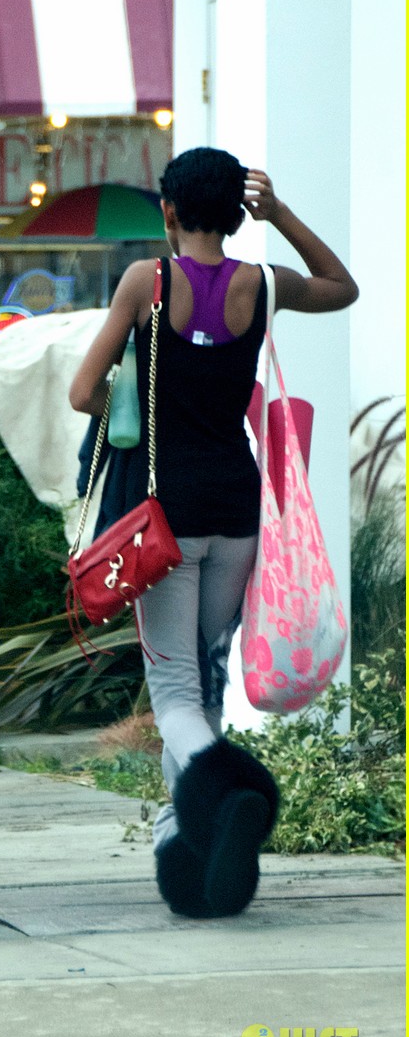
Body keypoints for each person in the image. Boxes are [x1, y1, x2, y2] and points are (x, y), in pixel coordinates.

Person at [69, 147, 358, 918]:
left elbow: (80, 393)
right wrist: (282, 216)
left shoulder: (146, 281)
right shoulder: (261, 286)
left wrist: (127, 408)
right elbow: (341, 288)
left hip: (163, 514)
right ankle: (185, 854)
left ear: (167, 212)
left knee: (172, 691)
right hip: (238, 509)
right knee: (203, 681)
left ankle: (230, 788)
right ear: (237, 213)